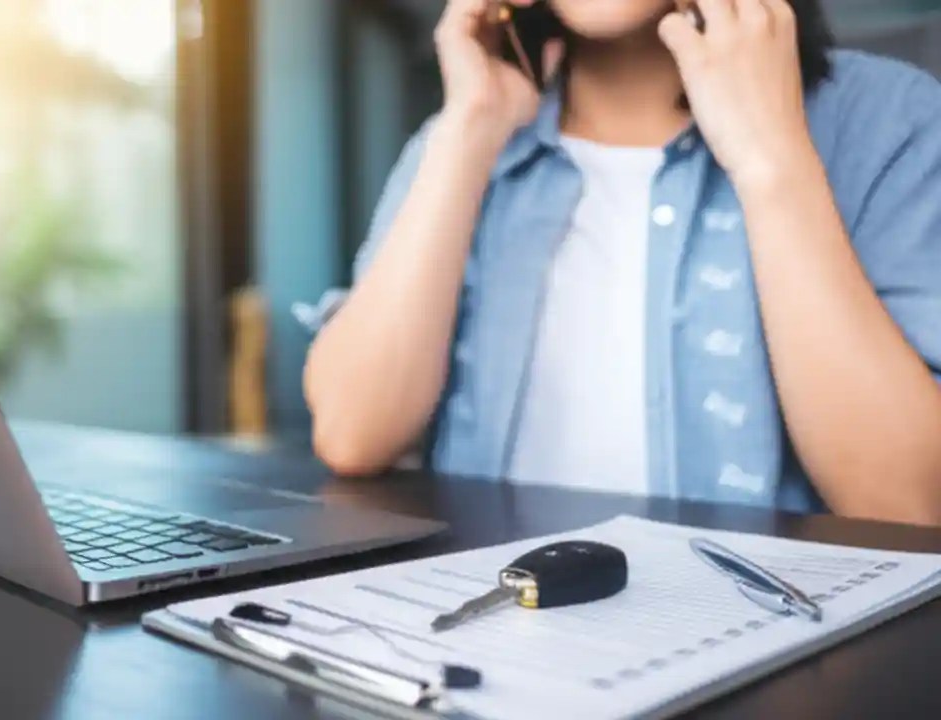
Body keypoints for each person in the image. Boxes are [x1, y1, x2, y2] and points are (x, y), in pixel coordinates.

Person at [303, 0, 941, 525]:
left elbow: (909, 505)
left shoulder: (889, 121)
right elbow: (353, 432)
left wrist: (770, 156)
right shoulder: (463, 134)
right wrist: (470, 127)